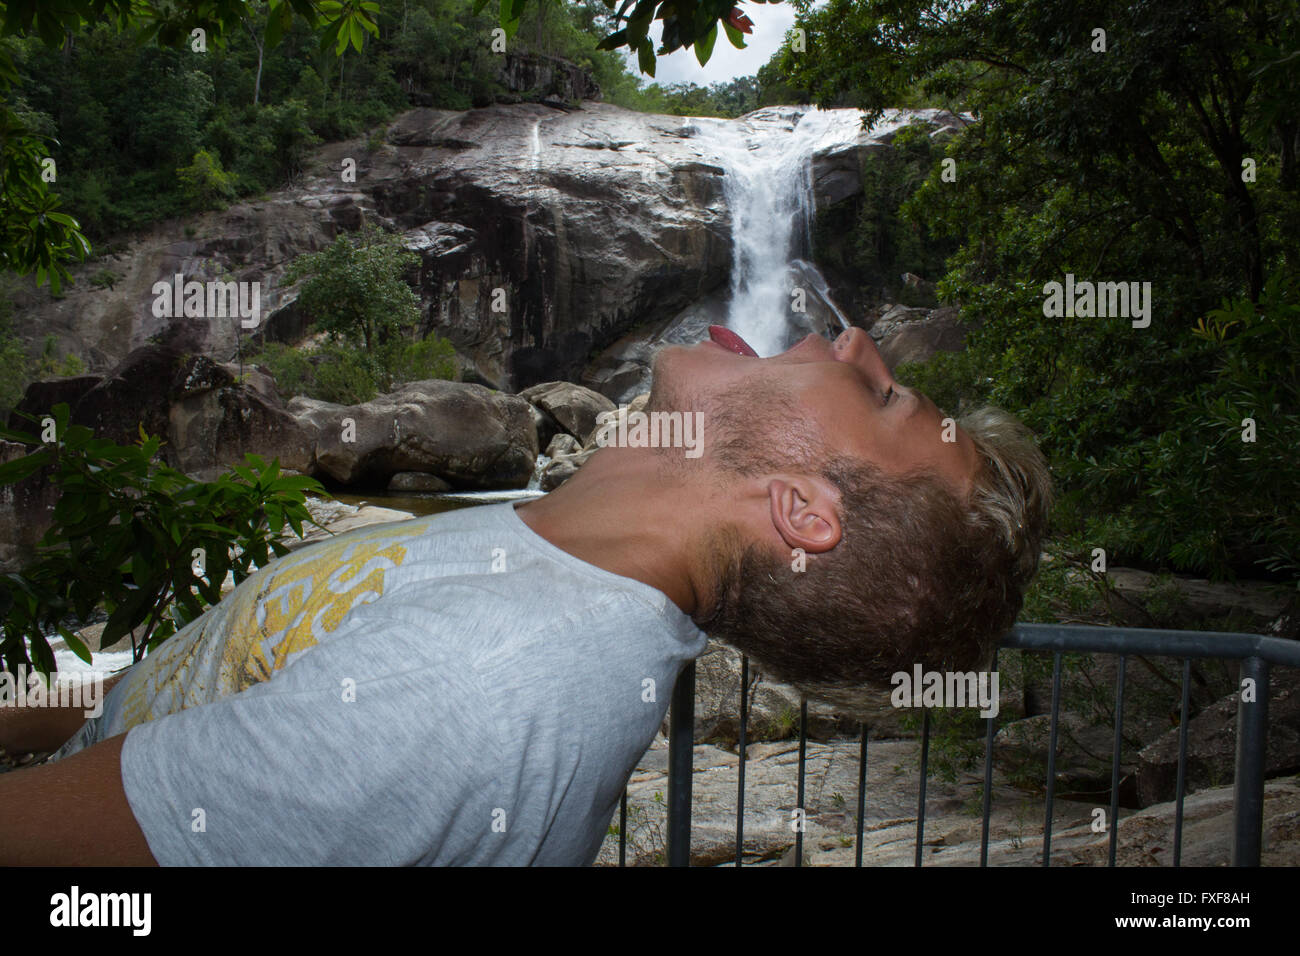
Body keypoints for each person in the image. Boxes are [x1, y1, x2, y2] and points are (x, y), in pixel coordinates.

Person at [0, 325, 1051, 865]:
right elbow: (209, 689)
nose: (859, 343)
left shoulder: (484, 681)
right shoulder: (537, 563)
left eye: (878, 392)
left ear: (801, 509)